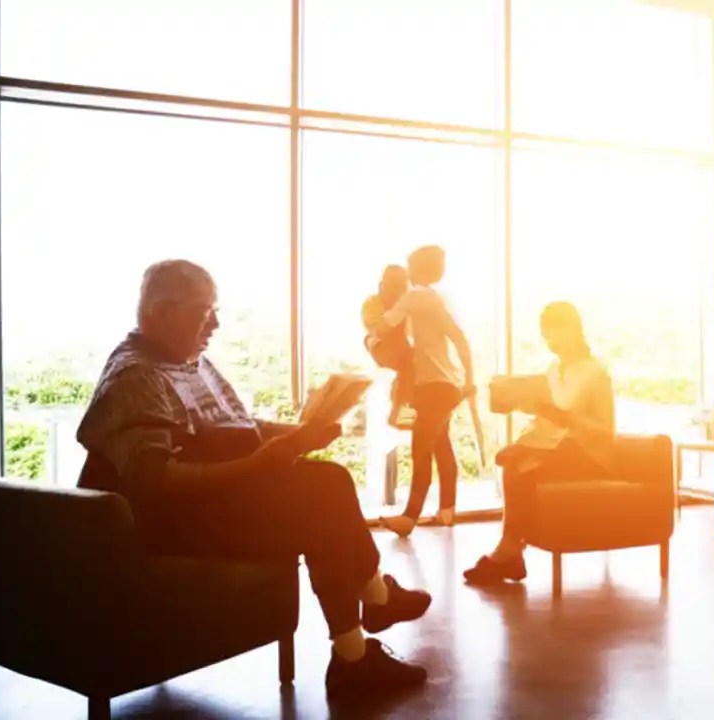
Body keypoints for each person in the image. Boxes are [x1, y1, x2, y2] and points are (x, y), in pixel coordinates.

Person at [75, 260, 431, 705]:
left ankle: (358, 647)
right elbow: (154, 481)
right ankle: (370, 612)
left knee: (324, 487)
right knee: (323, 491)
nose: (216, 324)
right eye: (205, 311)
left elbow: (238, 426)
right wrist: (263, 463)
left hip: (212, 506)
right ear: (162, 313)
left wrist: (298, 435)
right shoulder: (137, 376)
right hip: (172, 524)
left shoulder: (190, 361)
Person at [464, 302, 614, 584]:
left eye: (558, 331)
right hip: (558, 445)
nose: (552, 340)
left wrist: (564, 417)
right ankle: (510, 552)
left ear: (574, 330)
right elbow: (554, 418)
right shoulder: (554, 369)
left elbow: (604, 431)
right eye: (547, 334)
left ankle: (508, 551)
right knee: (512, 461)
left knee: (522, 467)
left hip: (588, 452)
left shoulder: (595, 372)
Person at [377, 246, 476, 536]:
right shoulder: (437, 299)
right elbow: (460, 340)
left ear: (414, 269)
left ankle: (409, 518)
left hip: (434, 386)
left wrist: (372, 335)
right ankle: (446, 512)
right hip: (447, 385)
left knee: (421, 448)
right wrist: (468, 380)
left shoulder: (416, 296)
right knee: (440, 446)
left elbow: (384, 326)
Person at [362, 264, 415, 428]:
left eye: (399, 285)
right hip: (379, 345)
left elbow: (412, 332)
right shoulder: (373, 302)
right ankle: (399, 408)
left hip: (401, 348)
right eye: (392, 284)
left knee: (411, 361)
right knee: (408, 359)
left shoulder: (406, 303)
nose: (395, 290)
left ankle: (402, 405)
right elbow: (376, 329)